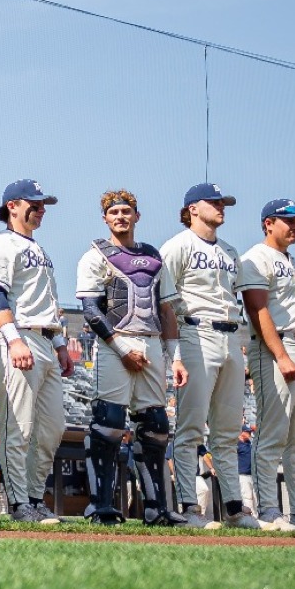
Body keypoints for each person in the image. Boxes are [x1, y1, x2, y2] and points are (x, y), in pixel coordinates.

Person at [78, 189, 186, 527]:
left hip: (151, 343)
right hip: (116, 343)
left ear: (137, 216)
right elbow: (90, 310)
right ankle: (101, 507)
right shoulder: (95, 256)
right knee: (109, 424)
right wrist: (123, 350)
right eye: (114, 213)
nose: (121, 217)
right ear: (105, 219)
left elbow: (166, 310)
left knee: (156, 426)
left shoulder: (153, 257)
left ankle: (157, 508)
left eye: (126, 211)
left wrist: (176, 357)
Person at [0, 179, 73, 524]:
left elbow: (49, 303)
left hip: (47, 338)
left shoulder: (40, 249)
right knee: (18, 426)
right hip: (19, 335)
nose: (41, 210)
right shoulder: (0, 244)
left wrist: (60, 344)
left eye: (43, 204)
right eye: (34, 204)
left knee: (52, 428)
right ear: (12, 206)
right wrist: (13, 339)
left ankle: (35, 497)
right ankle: (20, 503)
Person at [160, 182, 247, 528]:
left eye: (222, 202)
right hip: (195, 332)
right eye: (214, 202)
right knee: (191, 429)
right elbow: (165, 302)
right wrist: (175, 353)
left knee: (227, 431)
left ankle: (235, 510)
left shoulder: (230, 251)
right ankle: (190, 508)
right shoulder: (177, 246)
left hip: (230, 335)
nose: (221, 207)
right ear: (193, 209)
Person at [236, 199, 295, 532]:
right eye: (288, 221)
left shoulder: (289, 259)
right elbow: (257, 310)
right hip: (279, 347)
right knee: (272, 435)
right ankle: (269, 510)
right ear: (268, 223)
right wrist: (281, 355)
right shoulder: (257, 256)